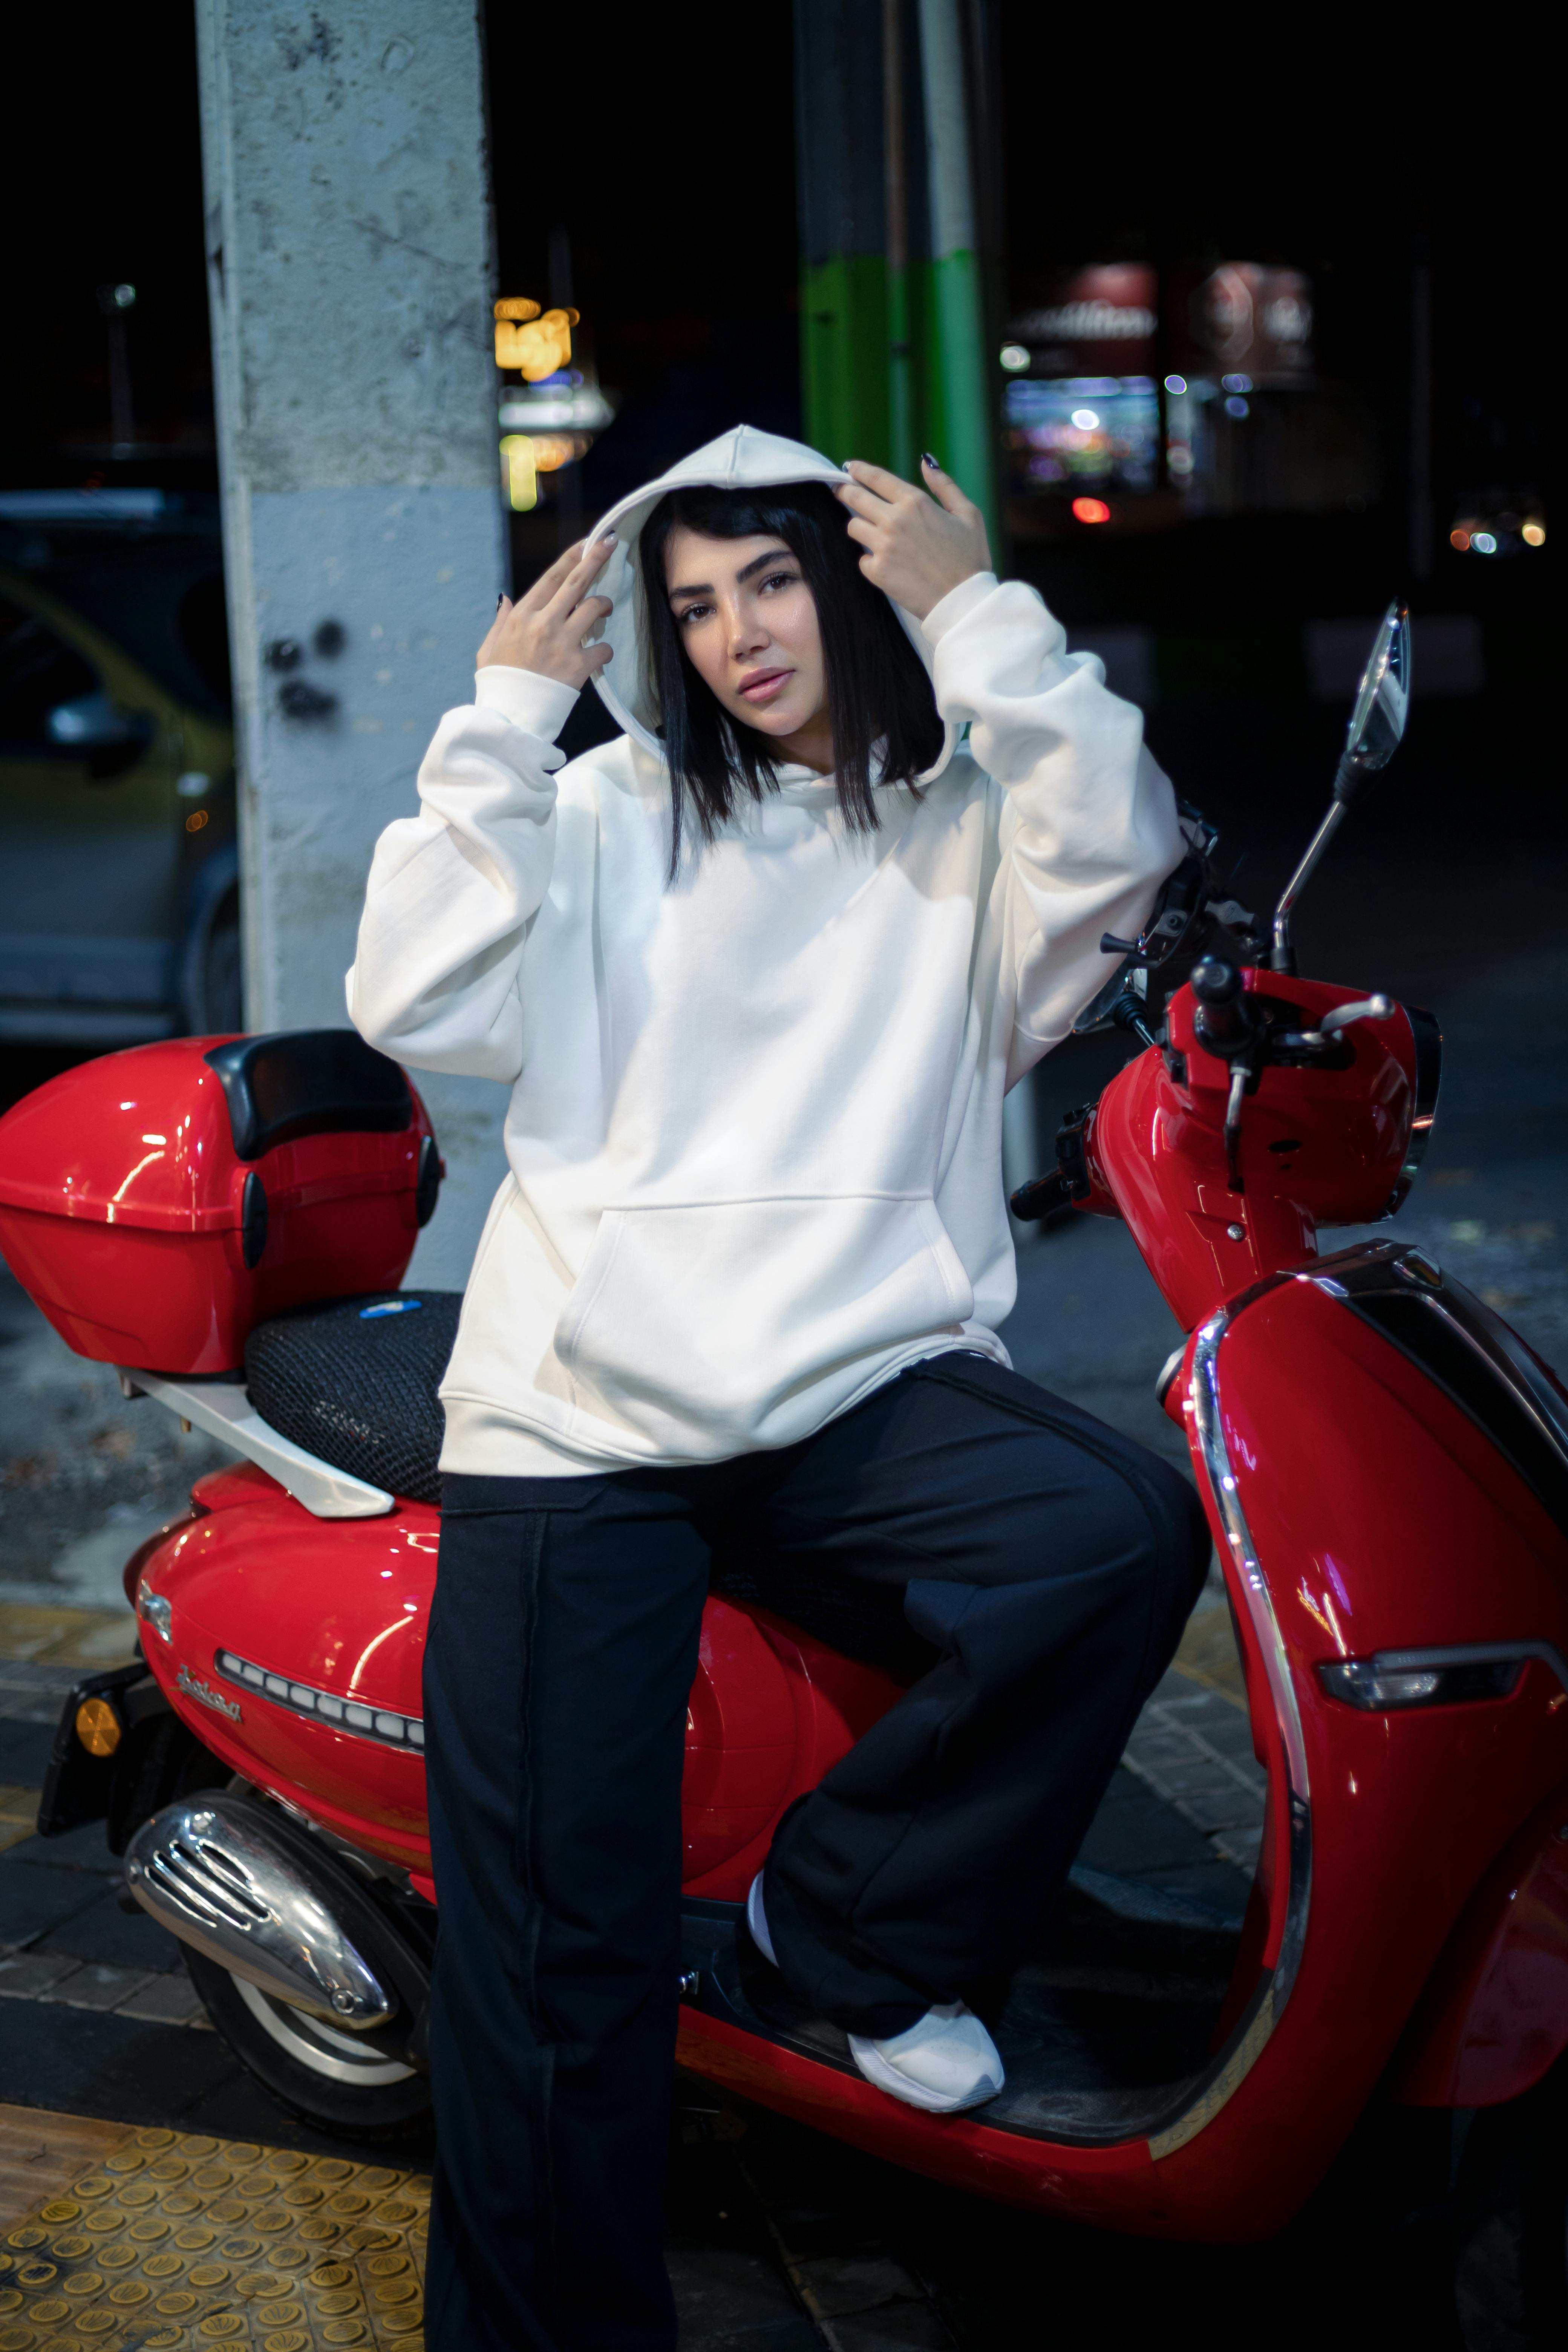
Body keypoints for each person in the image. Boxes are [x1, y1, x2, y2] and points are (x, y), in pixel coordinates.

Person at [347, 426, 1209, 2351]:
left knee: (1113, 1529)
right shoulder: (599, 811)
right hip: (578, 1422)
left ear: (849, 590)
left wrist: (983, 617)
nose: (737, 634)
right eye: (690, 606)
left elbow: (1124, 842)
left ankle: (842, 1941)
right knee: (553, 1950)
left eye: (771, 582)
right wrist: (500, 723)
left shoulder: (965, 824)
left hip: (854, 1382)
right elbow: (414, 1003)